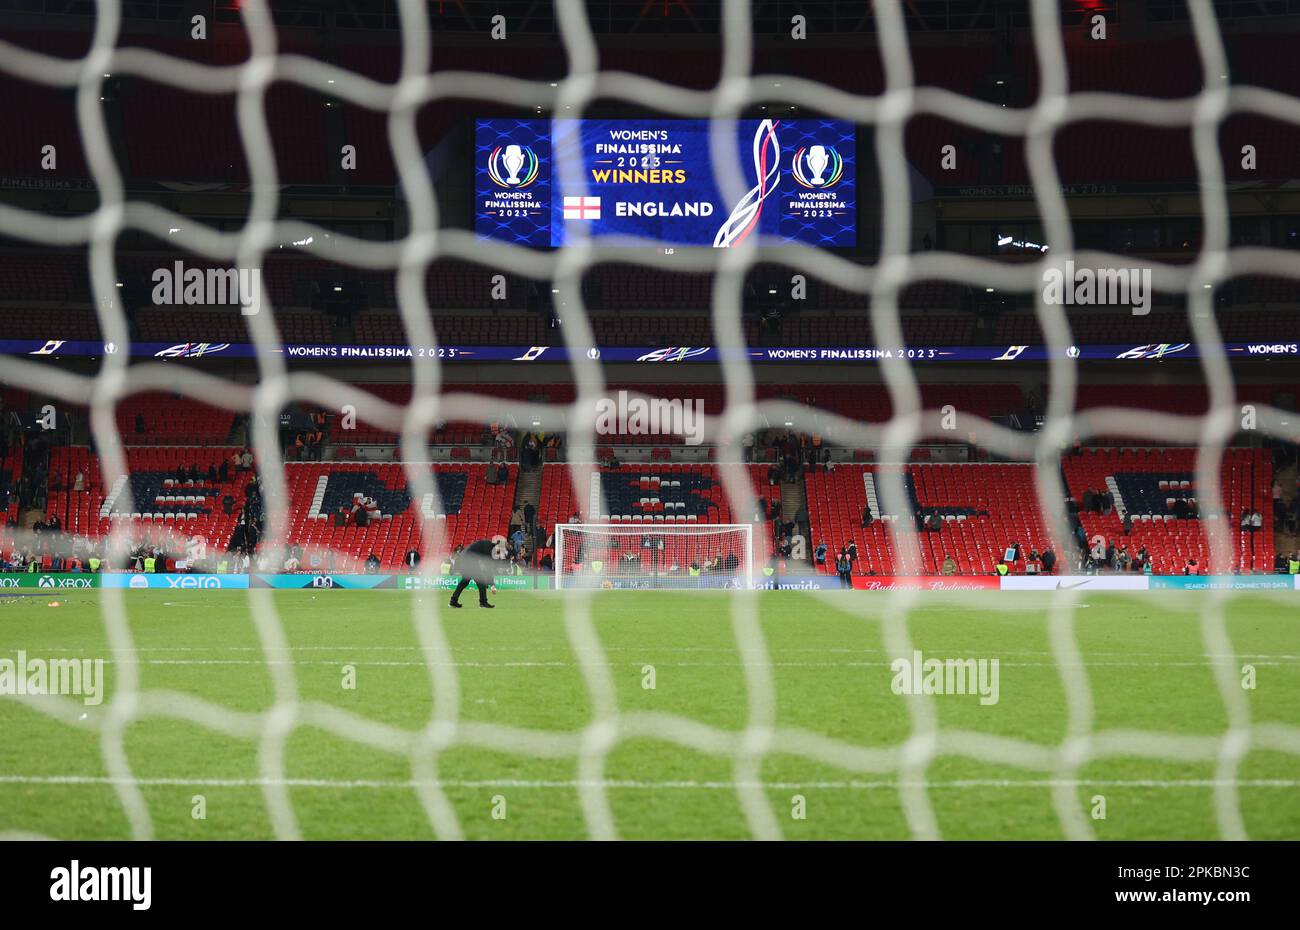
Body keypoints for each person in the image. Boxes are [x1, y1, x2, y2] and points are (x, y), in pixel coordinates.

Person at [450, 538, 499, 608]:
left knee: (465, 581)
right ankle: (483, 603)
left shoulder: (488, 545)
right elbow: (488, 567)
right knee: (481, 582)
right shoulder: (489, 548)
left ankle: (453, 601)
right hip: (469, 560)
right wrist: (492, 585)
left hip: (464, 558)